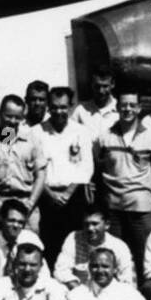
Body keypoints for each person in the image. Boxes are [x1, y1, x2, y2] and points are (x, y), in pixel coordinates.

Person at [92, 92, 151, 274]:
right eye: (123, 105)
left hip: (141, 207)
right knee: (114, 254)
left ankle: (150, 291)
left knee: (146, 254)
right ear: (117, 108)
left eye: (132, 105)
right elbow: (97, 164)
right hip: (113, 207)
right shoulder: (105, 136)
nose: (127, 109)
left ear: (139, 108)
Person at [35, 86, 95, 266]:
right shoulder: (36, 131)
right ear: (48, 107)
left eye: (63, 107)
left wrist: (68, 193)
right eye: (54, 107)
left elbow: (87, 168)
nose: (58, 111)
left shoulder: (81, 132)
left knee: (76, 244)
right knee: (50, 245)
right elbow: (29, 166)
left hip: (74, 197)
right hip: (46, 196)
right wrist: (50, 193)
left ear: (70, 106)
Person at [0, 94, 45, 233]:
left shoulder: (33, 142)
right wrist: (0, 206)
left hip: (26, 204)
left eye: (17, 117)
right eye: (8, 116)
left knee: (28, 248)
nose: (12, 121)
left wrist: (29, 205)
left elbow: (40, 176)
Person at [54, 208, 135, 289]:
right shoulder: (74, 238)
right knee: (56, 287)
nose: (90, 228)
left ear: (107, 225)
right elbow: (61, 271)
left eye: (95, 224)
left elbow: (127, 279)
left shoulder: (119, 246)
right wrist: (81, 292)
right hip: (79, 290)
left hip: (108, 293)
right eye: (86, 224)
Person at [0, 198, 50, 283]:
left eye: (20, 222)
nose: (16, 225)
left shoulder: (31, 239)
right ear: (1, 218)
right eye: (11, 221)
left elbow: (44, 275)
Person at [73, 67, 119, 138]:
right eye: (97, 86)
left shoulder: (120, 109)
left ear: (112, 85)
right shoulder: (81, 110)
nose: (101, 91)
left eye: (105, 86)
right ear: (92, 85)